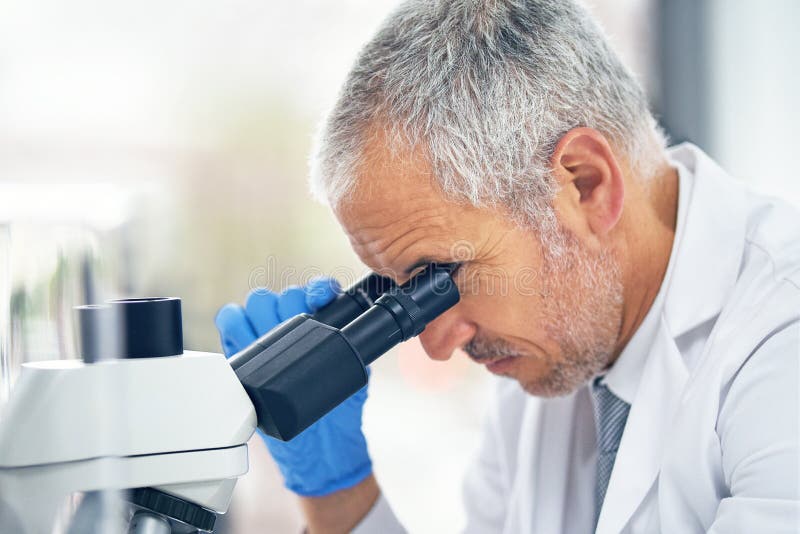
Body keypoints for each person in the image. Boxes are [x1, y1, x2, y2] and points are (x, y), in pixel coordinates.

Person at [215, 0, 800, 532]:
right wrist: (338, 493)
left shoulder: (781, 336)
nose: (438, 344)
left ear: (585, 184)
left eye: (439, 280)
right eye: (396, 293)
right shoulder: (544, 348)